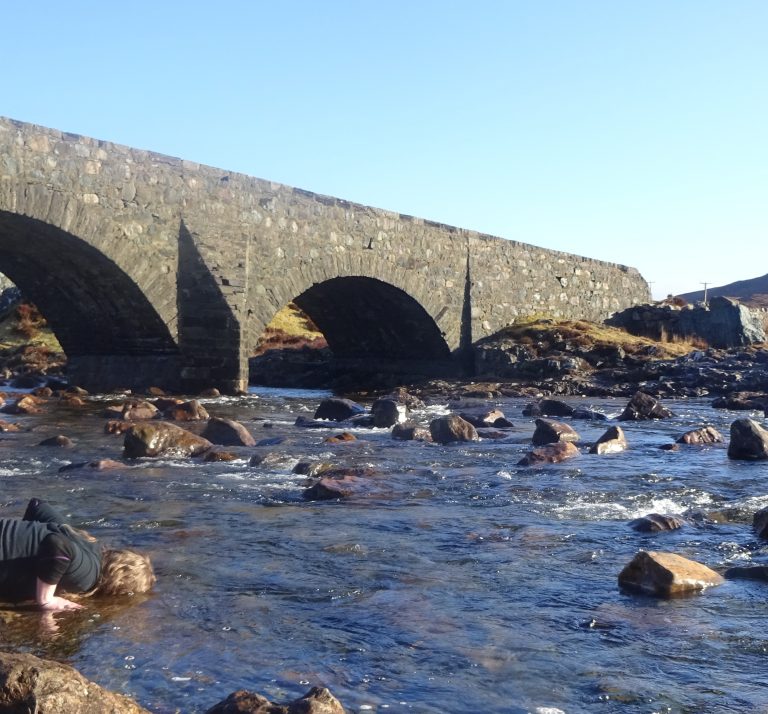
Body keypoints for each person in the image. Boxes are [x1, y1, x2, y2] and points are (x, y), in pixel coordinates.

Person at [0, 497, 155, 611]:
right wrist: (46, 599)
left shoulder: (87, 543)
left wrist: (22, 542)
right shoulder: (89, 576)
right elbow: (59, 546)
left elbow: (37, 505)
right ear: (118, 587)